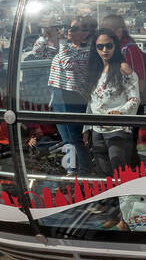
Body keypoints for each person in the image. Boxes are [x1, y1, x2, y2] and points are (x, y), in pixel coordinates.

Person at [83, 29, 140, 177]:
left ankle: (122, 200)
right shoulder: (95, 70)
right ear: (95, 49)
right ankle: (111, 201)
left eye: (109, 45)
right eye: (100, 46)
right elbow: (92, 102)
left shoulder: (123, 69)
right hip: (97, 131)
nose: (104, 50)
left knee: (120, 175)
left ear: (116, 46)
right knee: (104, 175)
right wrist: (86, 127)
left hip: (118, 129)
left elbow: (134, 99)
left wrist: (120, 113)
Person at [48, 15, 96, 175]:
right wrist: (45, 37)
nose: (69, 30)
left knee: (75, 137)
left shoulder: (87, 52)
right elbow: (38, 51)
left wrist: (61, 43)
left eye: (75, 28)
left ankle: (84, 171)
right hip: (58, 93)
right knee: (66, 138)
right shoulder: (66, 48)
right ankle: (71, 169)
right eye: (69, 27)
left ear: (85, 33)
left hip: (73, 95)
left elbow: (68, 65)